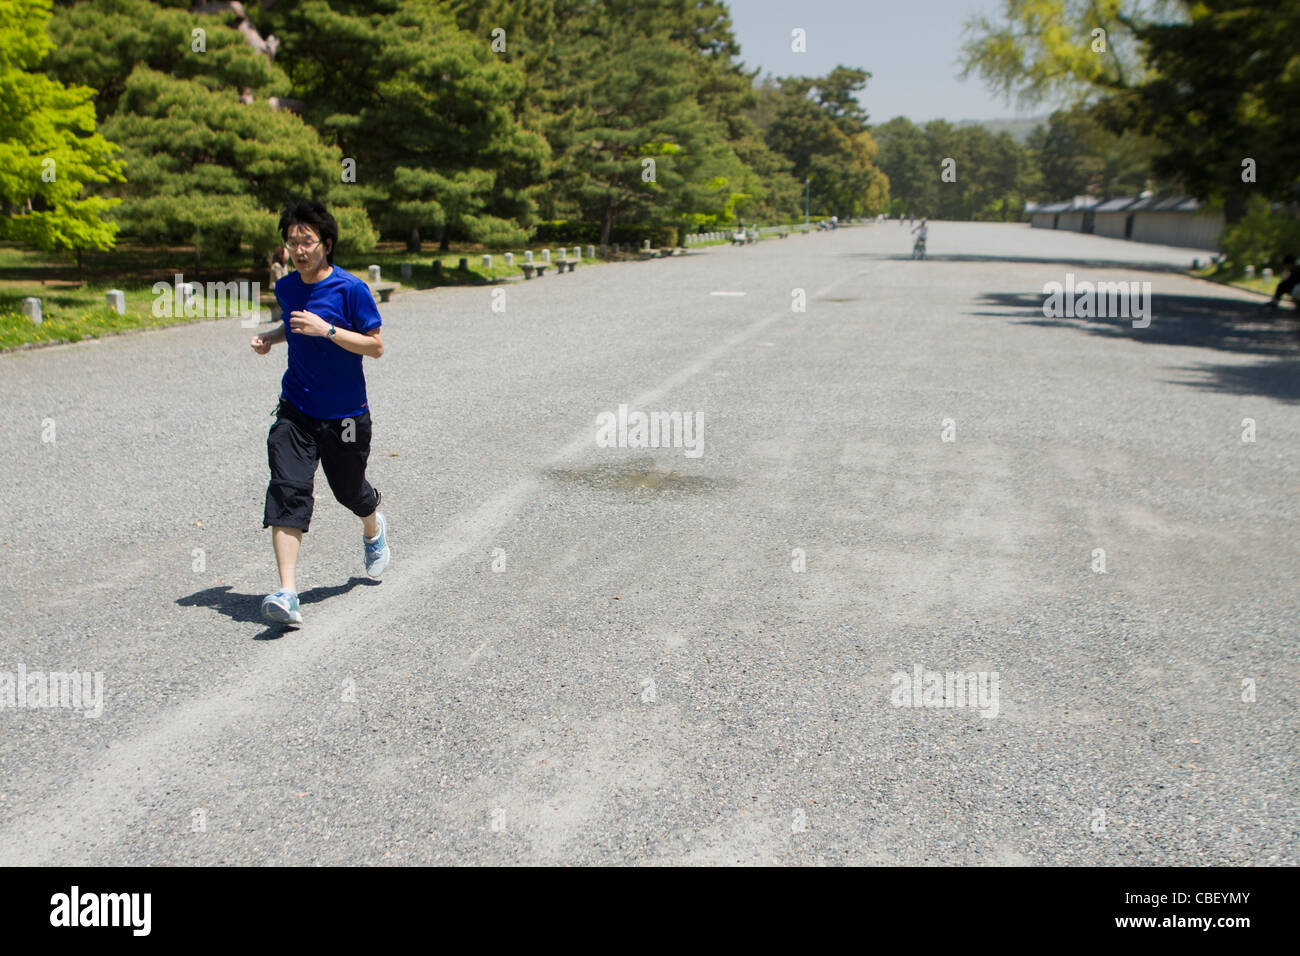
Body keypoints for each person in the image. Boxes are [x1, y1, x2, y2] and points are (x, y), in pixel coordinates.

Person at [249, 200, 390, 627]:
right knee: (288, 487)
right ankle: (288, 593)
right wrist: (273, 338)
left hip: (346, 416)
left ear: (326, 244)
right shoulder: (288, 287)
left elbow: (376, 346)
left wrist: (327, 330)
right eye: (292, 242)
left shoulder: (351, 289)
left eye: (307, 241)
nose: (299, 249)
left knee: (349, 490)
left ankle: (373, 525)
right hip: (297, 410)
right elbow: (294, 326)